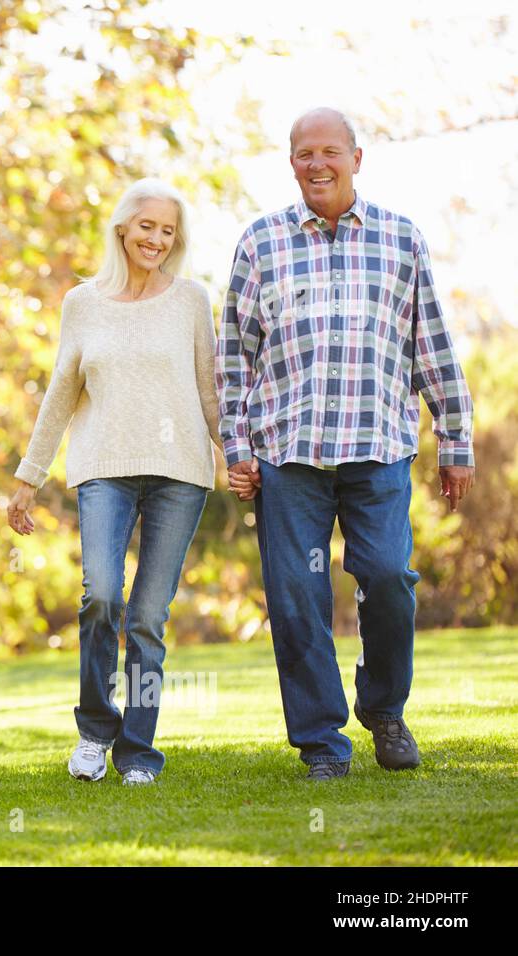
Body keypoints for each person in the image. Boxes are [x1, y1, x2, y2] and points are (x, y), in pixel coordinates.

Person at [217, 107, 476, 781]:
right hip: (288, 454)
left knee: (388, 578)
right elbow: (233, 355)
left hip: (378, 444)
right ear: (292, 163)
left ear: (356, 159)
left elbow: (431, 344)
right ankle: (323, 744)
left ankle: (385, 711)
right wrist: (235, 442)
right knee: (297, 595)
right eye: (304, 154)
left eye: (329, 151)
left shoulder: (400, 239)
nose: (317, 164)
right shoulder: (261, 242)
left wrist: (455, 435)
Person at [7, 177, 222, 786]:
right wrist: (29, 476)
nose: (156, 239)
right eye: (147, 226)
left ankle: (139, 752)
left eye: (168, 231)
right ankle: (95, 733)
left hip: (180, 472)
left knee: (149, 616)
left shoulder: (190, 300)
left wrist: (236, 452)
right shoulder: (83, 303)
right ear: (123, 227)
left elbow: (210, 390)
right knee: (102, 595)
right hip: (104, 468)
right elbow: (59, 394)